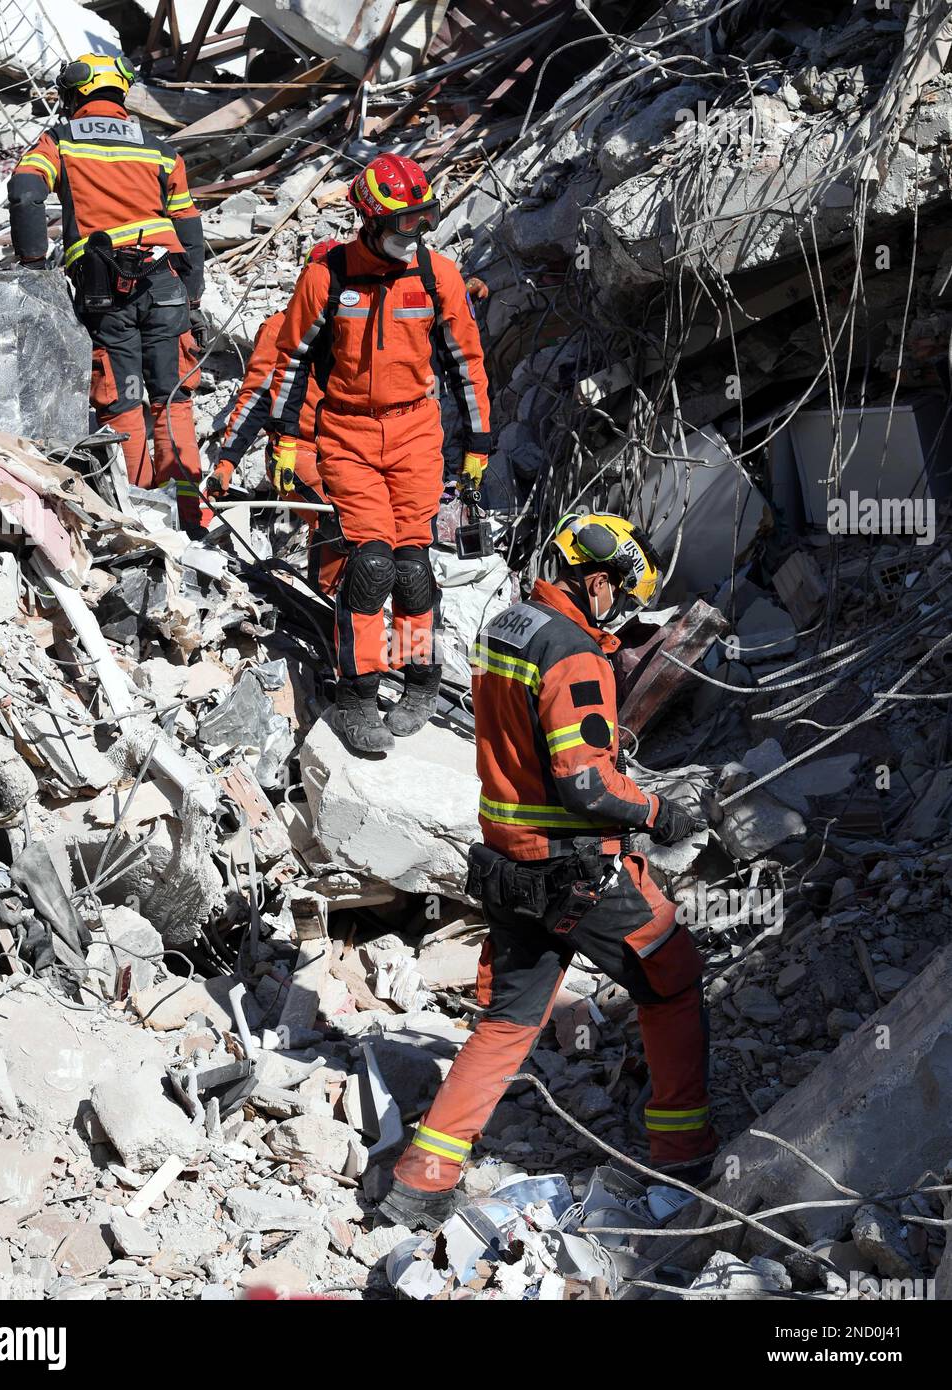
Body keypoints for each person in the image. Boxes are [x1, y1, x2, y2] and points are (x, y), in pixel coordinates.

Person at [380, 512, 717, 1230]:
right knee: (673, 980)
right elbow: (587, 786)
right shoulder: (570, 654)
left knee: (506, 1024)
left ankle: (419, 1182)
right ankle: (684, 1155)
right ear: (597, 580)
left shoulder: (505, 626)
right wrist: (661, 814)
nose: (619, 613)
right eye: (619, 596)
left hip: (505, 863)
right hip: (576, 870)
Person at [266, 153, 493, 753]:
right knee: (370, 564)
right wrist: (286, 438)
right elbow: (290, 362)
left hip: (417, 432)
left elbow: (465, 362)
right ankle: (357, 694)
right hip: (347, 432)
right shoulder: (328, 277)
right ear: (368, 218)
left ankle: (420, 675)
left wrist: (479, 441)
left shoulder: (436, 275)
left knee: (414, 568)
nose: (413, 232)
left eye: (422, 219)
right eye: (403, 221)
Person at [8, 53, 209, 532]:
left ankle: (138, 517)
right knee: (173, 397)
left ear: (75, 93)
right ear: (120, 93)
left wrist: (34, 263)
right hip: (166, 286)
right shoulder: (159, 148)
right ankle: (191, 516)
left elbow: (24, 191)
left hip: (106, 292)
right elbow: (188, 225)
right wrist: (192, 293)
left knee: (123, 399)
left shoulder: (61, 140)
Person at [206, 240, 345, 594]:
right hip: (295, 450)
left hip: (344, 446)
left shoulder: (353, 328)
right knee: (337, 519)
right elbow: (257, 398)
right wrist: (227, 461)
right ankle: (328, 600)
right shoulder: (282, 329)